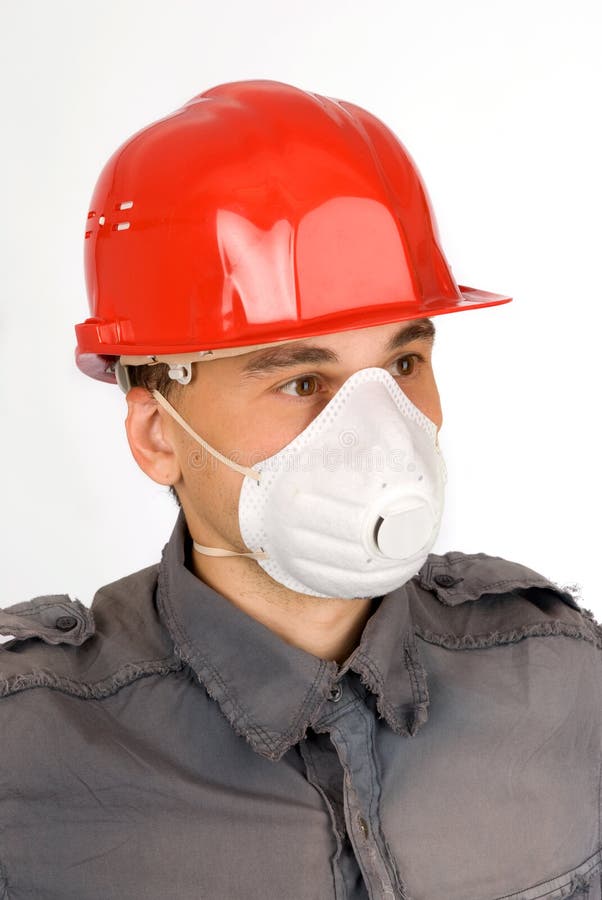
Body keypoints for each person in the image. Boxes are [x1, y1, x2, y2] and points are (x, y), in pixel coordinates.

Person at [1, 81, 600, 900]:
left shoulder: (563, 683)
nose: (381, 434)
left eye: (402, 365)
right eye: (302, 381)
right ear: (158, 434)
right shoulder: (28, 757)